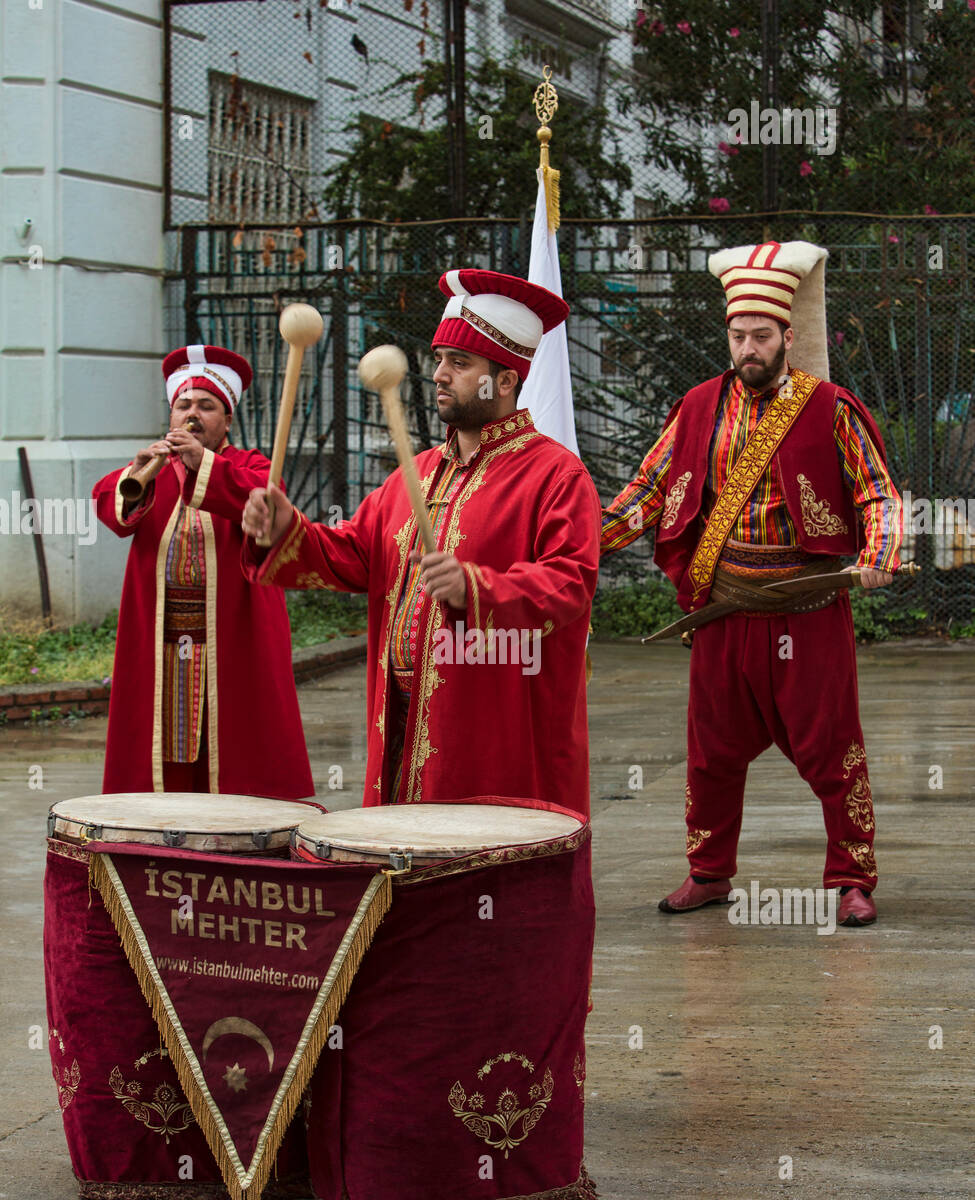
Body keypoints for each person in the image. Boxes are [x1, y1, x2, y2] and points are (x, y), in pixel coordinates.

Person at [601, 241, 903, 927]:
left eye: (760, 336)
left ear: (787, 335)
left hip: (807, 607)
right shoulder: (697, 406)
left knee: (833, 750)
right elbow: (646, 489)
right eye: (737, 336)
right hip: (724, 609)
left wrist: (880, 550)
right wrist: (578, 543)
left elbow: (876, 495)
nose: (747, 347)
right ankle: (707, 873)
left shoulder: (830, 407)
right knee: (709, 753)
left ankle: (851, 878)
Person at [239, 269, 601, 817]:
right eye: (438, 359)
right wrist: (285, 530)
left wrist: (474, 586)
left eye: (460, 363)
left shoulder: (557, 476)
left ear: (504, 380)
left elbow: (569, 586)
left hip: (490, 716)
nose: (440, 374)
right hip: (398, 714)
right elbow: (352, 556)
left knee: (476, 859)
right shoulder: (418, 471)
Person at [93, 345, 313, 797]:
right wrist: (135, 478)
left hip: (233, 636)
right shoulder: (154, 469)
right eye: (184, 405)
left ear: (227, 419)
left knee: (234, 742)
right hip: (164, 640)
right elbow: (109, 507)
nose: (193, 414)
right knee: (167, 747)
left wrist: (202, 464)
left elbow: (263, 496)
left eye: (206, 406)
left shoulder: (250, 466)